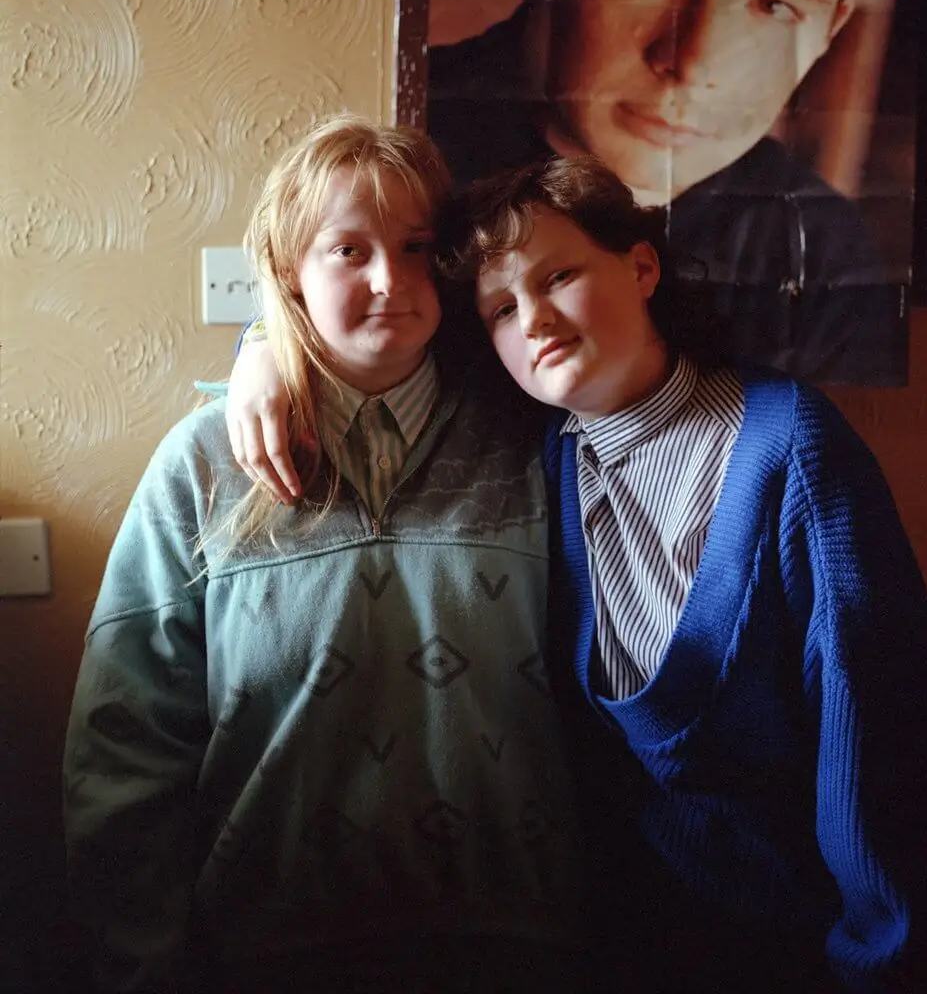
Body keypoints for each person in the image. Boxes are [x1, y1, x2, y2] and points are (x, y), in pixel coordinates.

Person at [438, 155, 927, 991]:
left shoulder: (790, 449)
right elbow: (365, 363)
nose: (535, 319)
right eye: (502, 310)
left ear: (641, 267)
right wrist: (262, 348)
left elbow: (889, 740)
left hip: (798, 960)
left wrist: (887, 969)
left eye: (558, 277)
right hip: (615, 958)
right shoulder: (535, 461)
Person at [61, 117, 582, 993]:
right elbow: (125, 742)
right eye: (349, 250)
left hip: (513, 939)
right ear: (288, 270)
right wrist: (147, 961)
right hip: (261, 946)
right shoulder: (203, 464)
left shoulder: (535, 442)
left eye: (417, 248)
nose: (391, 282)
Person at [429, 0, 923, 386]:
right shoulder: (401, 165)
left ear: (829, 33)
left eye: (775, 6)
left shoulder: (823, 255)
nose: (693, 63)